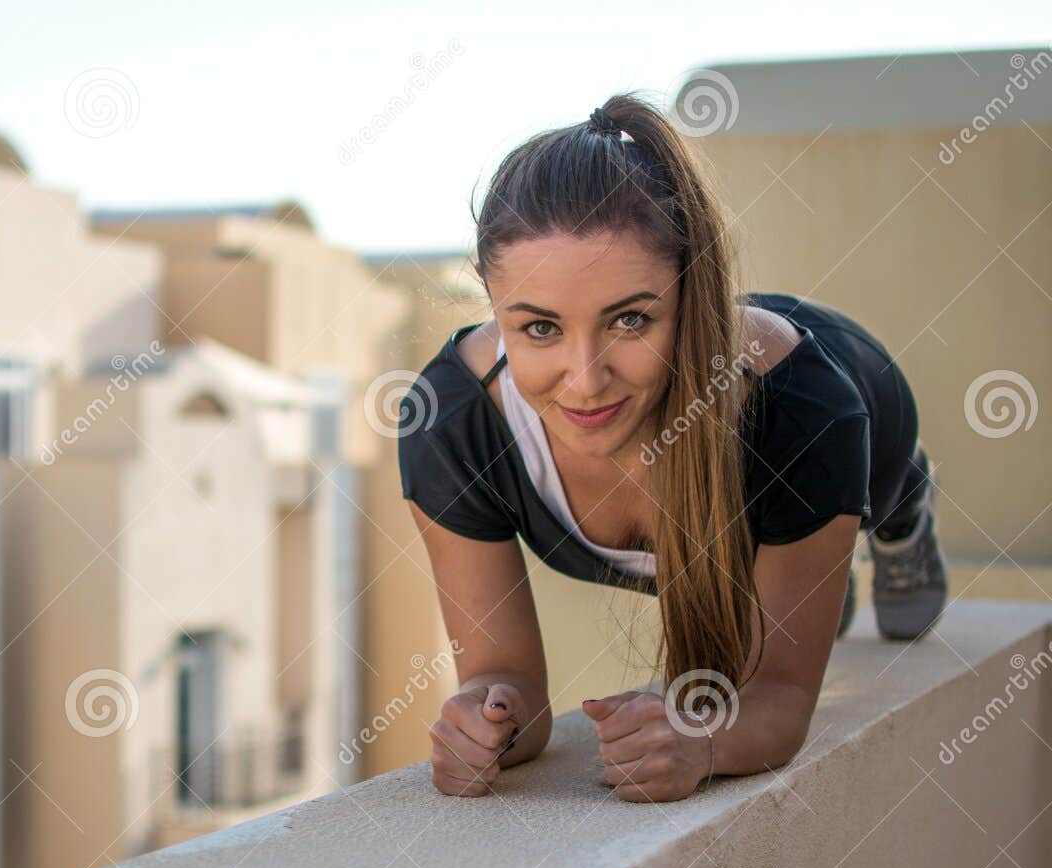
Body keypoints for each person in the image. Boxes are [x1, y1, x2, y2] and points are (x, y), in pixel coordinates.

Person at [396, 93, 947, 803]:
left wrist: (705, 741)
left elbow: (778, 697)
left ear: (691, 293)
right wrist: (484, 713)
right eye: (538, 329)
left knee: (881, 501)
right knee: (787, 596)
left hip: (863, 407)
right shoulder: (452, 424)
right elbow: (511, 683)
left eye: (630, 319)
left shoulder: (807, 410)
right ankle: (797, 578)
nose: (586, 380)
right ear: (491, 303)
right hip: (749, 510)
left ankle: (903, 519)